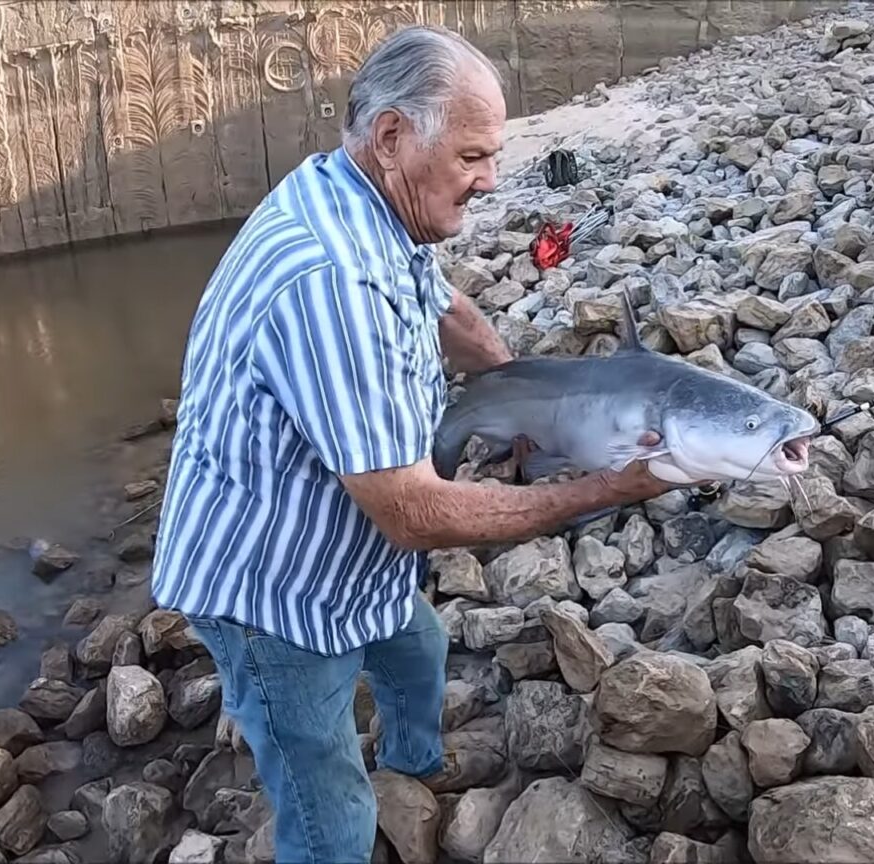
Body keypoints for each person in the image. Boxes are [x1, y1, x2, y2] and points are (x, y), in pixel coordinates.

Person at [150, 24, 676, 864]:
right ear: (394, 136)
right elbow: (410, 512)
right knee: (328, 808)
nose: (491, 179)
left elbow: (444, 306)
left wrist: (518, 394)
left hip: (348, 550)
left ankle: (412, 765)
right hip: (271, 589)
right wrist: (600, 490)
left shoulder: (373, 203)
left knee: (419, 648)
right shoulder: (327, 276)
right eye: (472, 155)